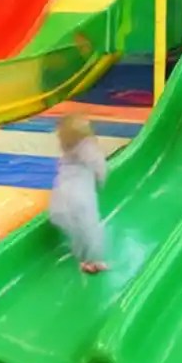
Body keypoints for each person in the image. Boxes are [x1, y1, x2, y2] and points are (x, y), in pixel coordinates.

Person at [49, 114, 108, 274]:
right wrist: (101, 179)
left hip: (63, 196)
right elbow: (98, 166)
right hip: (81, 194)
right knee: (89, 227)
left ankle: (82, 257)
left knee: (76, 229)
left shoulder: (67, 151)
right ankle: (92, 260)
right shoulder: (87, 146)